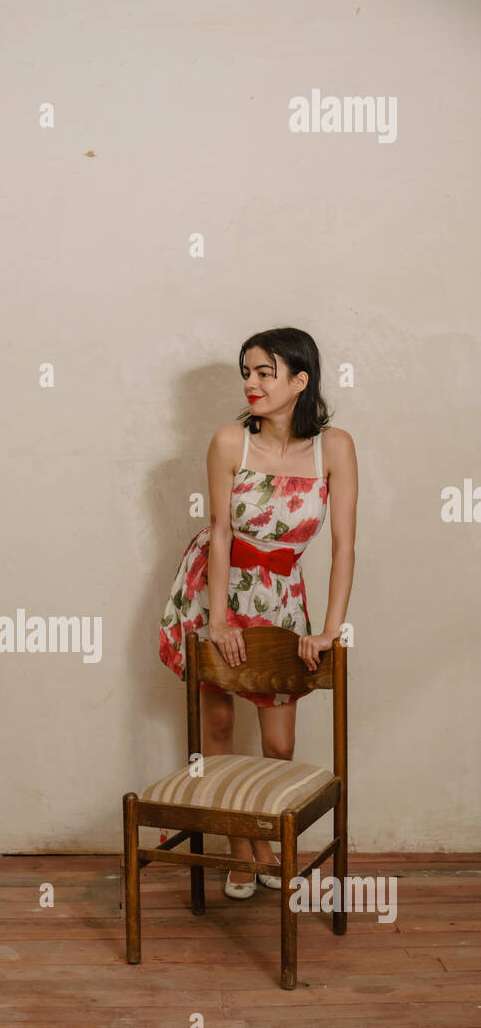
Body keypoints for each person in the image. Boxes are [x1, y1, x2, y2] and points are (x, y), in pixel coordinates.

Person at [158, 328, 358, 897]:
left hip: (280, 596)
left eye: (265, 372)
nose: (251, 383)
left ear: (300, 380)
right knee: (218, 726)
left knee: (279, 743)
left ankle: (264, 835)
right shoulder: (229, 443)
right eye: (246, 371)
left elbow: (344, 545)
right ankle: (240, 850)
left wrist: (328, 629)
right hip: (215, 589)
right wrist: (217, 620)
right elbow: (220, 534)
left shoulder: (334, 448)